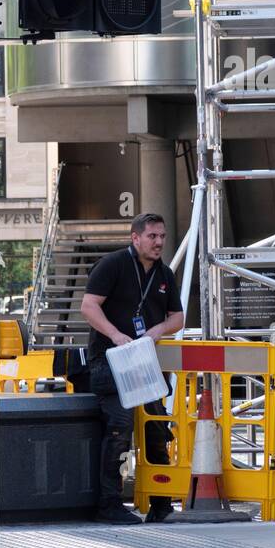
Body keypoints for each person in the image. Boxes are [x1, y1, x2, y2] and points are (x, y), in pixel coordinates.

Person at [79, 212, 184, 525]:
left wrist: (157, 331)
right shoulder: (112, 264)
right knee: (120, 427)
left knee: (156, 427)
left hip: (145, 362)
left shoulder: (164, 274)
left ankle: (161, 504)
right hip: (110, 360)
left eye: (162, 236)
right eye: (152, 236)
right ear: (135, 237)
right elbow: (88, 306)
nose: (159, 242)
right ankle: (108, 504)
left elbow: (177, 318)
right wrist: (115, 335)